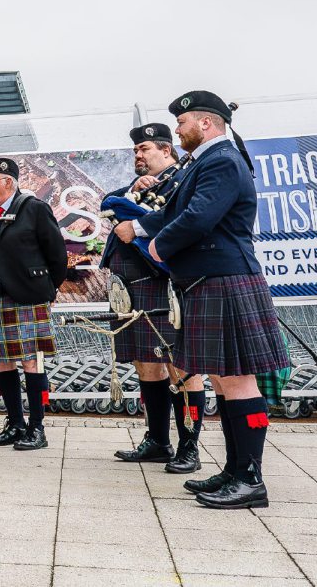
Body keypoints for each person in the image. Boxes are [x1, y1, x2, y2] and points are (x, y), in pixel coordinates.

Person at [115, 91, 289, 509]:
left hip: (226, 277)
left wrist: (156, 246)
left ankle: (250, 479)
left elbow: (197, 217)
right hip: (209, 280)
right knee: (225, 381)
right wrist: (141, 228)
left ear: (205, 123)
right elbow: (176, 208)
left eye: (183, 122)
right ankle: (234, 470)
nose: (177, 130)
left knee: (238, 380)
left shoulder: (222, 160)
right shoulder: (205, 162)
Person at [105, 124, 207, 473]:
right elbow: (110, 202)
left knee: (182, 368)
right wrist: (134, 192)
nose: (138, 155)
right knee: (146, 366)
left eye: (144, 148)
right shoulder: (135, 189)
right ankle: (158, 441)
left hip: (166, 286)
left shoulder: (184, 180)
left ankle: (189, 446)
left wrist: (134, 211)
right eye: (135, 150)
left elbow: (183, 221)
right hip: (131, 289)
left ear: (166, 150)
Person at [0, 157, 69, 452]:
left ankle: (37, 427)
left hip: (27, 296)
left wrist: (49, 289)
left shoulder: (33, 208)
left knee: (32, 361)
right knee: (1, 361)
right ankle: (15, 423)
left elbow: (57, 253)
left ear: (8, 182)